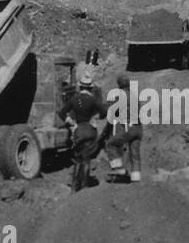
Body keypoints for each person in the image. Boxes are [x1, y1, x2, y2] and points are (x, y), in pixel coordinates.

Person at [59, 63, 109, 191]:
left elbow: (61, 113)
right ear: (90, 87)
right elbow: (104, 111)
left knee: (78, 160)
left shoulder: (74, 99)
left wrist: (71, 122)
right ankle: (85, 186)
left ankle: (75, 188)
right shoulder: (92, 100)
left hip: (78, 131)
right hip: (90, 131)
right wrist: (96, 118)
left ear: (80, 86)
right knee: (87, 160)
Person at [105, 73, 143, 183]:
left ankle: (119, 169)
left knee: (110, 144)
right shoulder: (135, 96)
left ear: (119, 85)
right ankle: (136, 178)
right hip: (138, 129)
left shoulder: (120, 97)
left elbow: (112, 113)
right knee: (135, 153)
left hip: (128, 128)